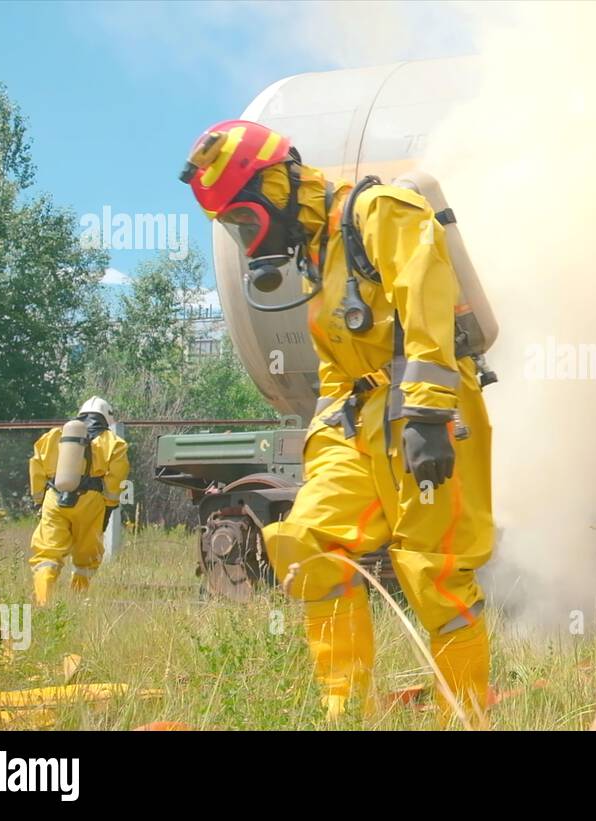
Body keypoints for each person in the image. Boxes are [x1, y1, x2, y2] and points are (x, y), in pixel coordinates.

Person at [180, 120, 494, 722]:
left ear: (276, 182)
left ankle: (467, 715)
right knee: (307, 544)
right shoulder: (319, 254)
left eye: (245, 219)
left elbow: (426, 307)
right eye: (234, 227)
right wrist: (323, 444)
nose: (246, 237)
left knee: (434, 572)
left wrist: (427, 415)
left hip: (427, 411)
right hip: (357, 423)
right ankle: (347, 710)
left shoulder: (380, 210)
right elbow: (335, 371)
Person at [28, 396, 129, 605]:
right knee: (86, 553)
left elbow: (36, 467)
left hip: (54, 498)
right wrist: (108, 507)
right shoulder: (114, 443)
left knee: (47, 552)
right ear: (107, 418)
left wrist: (39, 500)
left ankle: (42, 601)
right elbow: (116, 478)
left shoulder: (53, 436)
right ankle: (77, 597)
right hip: (90, 501)